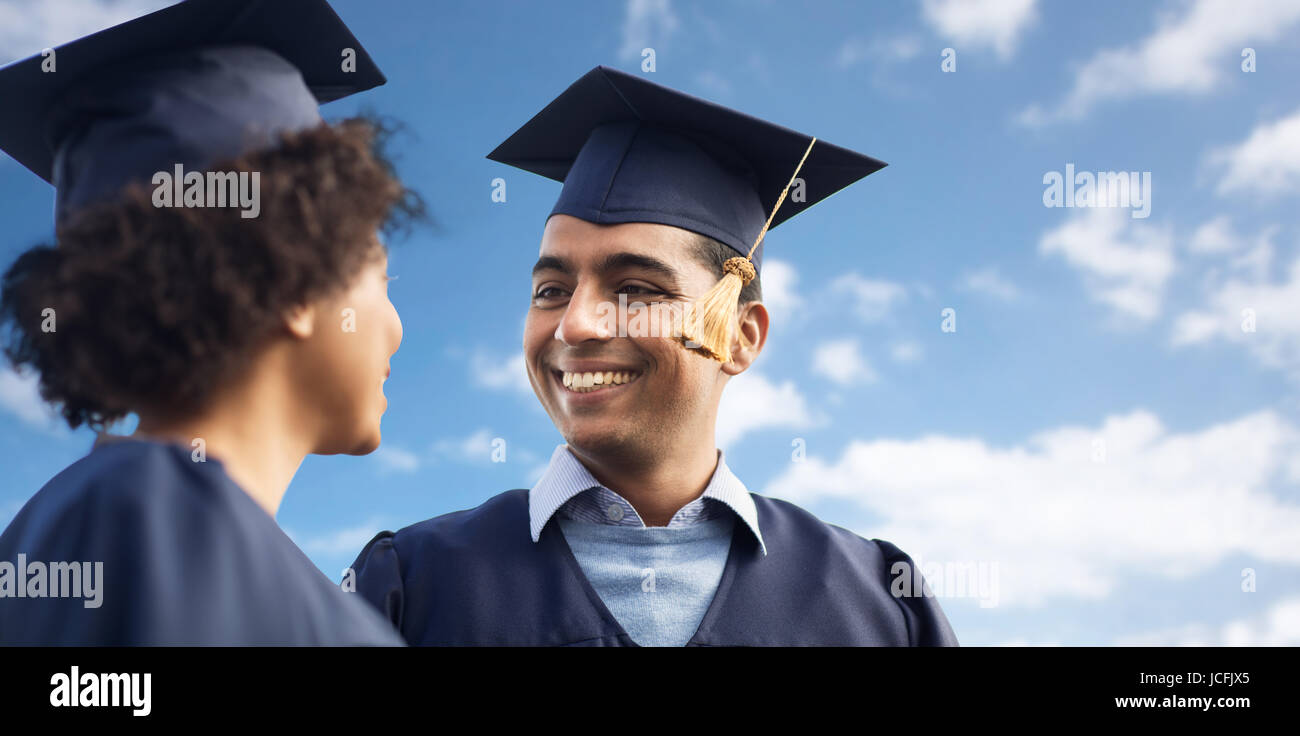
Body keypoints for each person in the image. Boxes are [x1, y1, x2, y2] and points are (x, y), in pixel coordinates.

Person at [349, 66, 958, 646]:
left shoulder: (878, 604)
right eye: (551, 291)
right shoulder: (410, 587)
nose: (577, 324)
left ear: (742, 335)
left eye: (636, 288)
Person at [0, 0, 416, 645]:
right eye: (381, 279)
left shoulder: (89, 524)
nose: (396, 327)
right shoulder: (146, 524)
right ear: (293, 281)